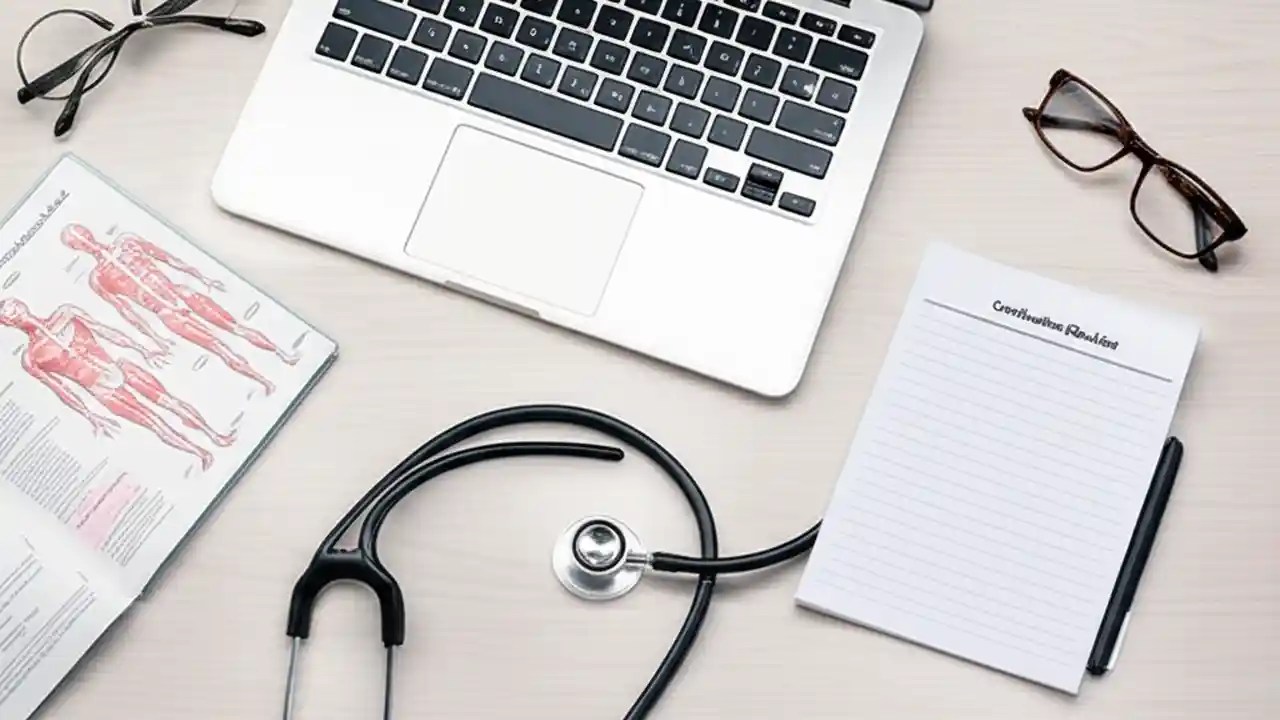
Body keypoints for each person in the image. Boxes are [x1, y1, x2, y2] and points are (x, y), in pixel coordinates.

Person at [60, 223, 299, 395]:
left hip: (180, 293)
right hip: (166, 314)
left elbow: (168, 258)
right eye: (77, 242)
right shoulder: (98, 278)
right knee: (219, 347)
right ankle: (265, 381)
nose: (84, 242)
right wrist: (154, 337)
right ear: (76, 248)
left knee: (235, 327)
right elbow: (126, 311)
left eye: (82, 235)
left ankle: (281, 353)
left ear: (89, 231)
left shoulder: (126, 242)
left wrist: (202, 277)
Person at [0, 298, 233, 470]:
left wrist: (141, 348)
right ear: (6, 323)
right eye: (9, 314)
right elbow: (61, 389)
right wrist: (90, 415)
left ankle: (214, 435)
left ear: (22, 304)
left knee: (170, 402)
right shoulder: (31, 358)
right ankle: (200, 453)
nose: (15, 313)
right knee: (154, 422)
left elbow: (104, 330)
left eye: (14, 306)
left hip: (118, 367)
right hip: (102, 390)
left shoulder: (66, 313)